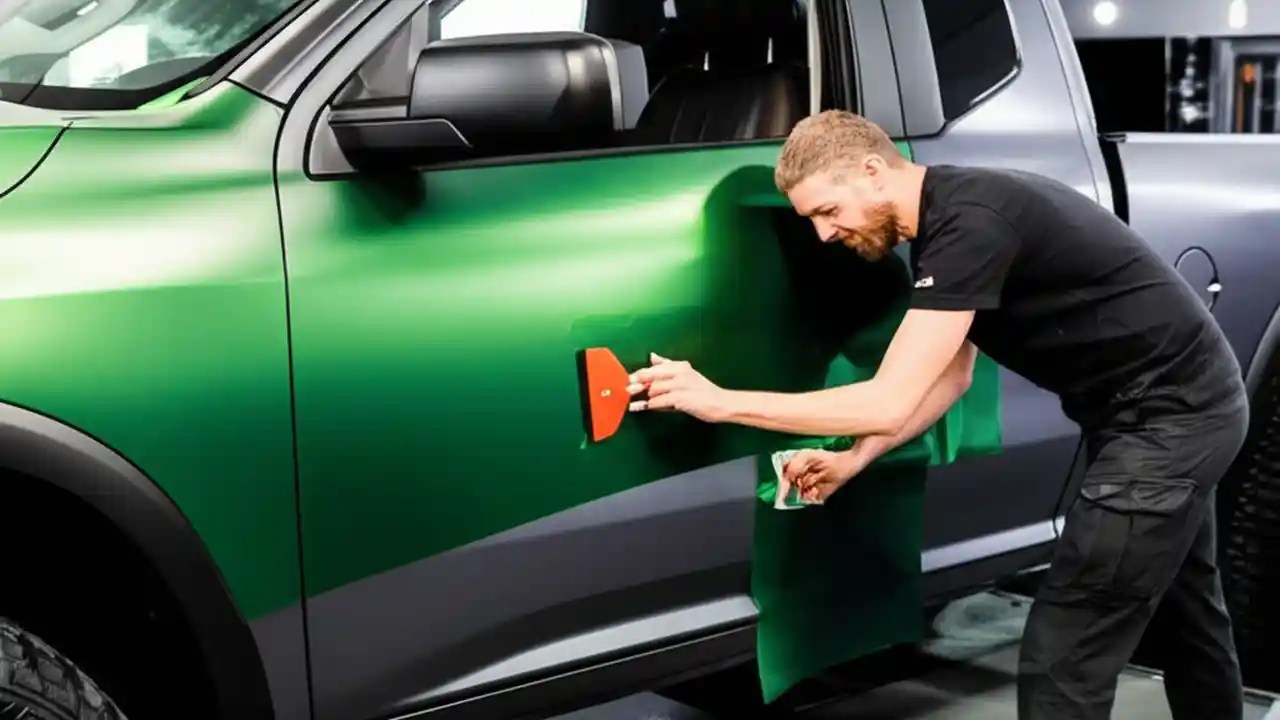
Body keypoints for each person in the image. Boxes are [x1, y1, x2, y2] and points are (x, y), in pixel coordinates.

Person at [625, 110, 1250, 719]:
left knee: (1065, 655)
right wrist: (855, 458)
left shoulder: (970, 226)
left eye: (827, 210)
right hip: (1168, 412)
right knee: (1187, 611)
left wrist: (720, 401)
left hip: (1170, 423)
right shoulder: (948, 221)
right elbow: (951, 377)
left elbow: (886, 398)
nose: (823, 233)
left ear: (873, 171)